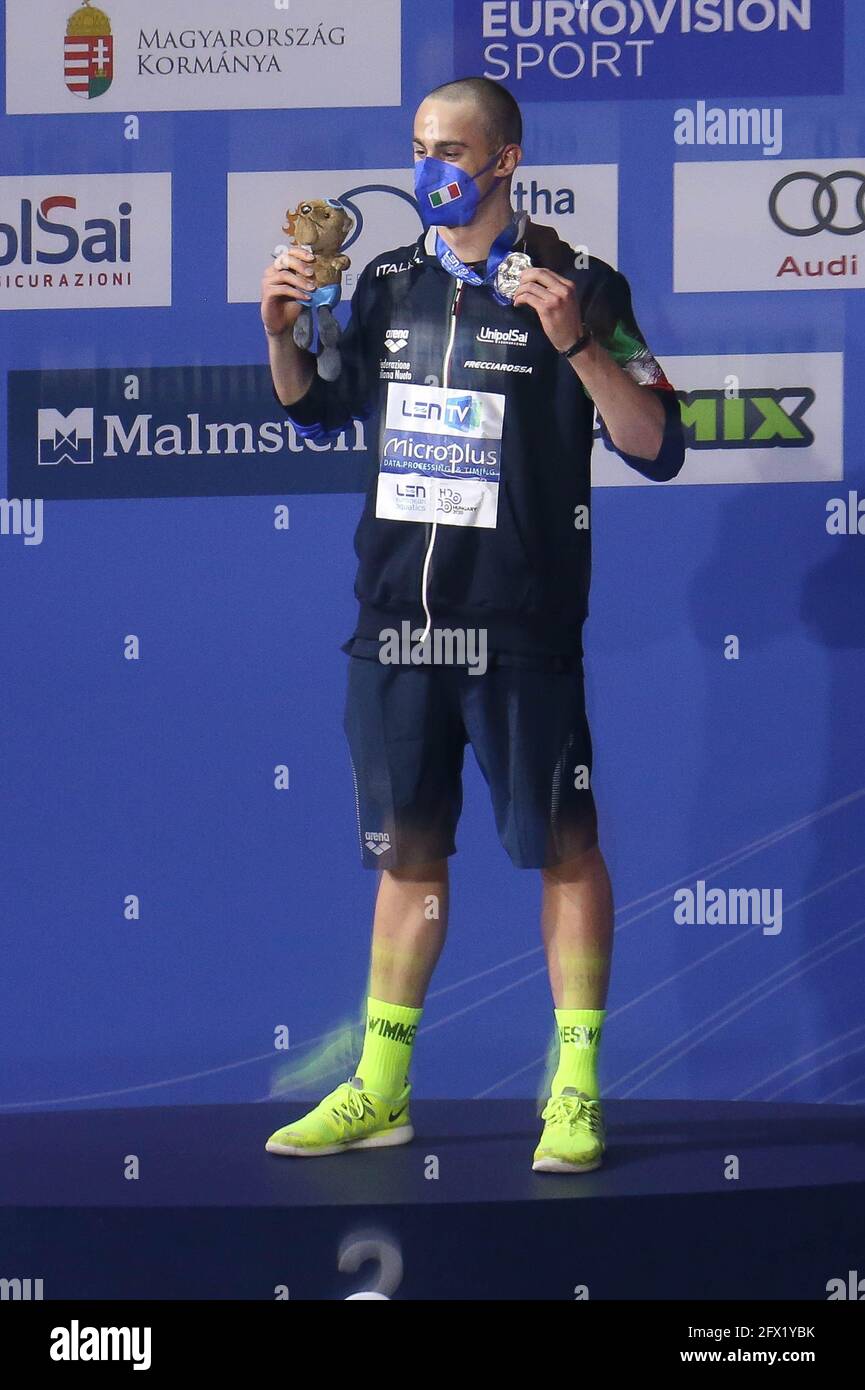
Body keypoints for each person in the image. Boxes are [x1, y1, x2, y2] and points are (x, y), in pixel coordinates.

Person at [260, 76, 685, 1173]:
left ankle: (576, 1090)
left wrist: (577, 343)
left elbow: (654, 441)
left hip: (520, 629)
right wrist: (282, 336)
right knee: (409, 858)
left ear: (504, 160)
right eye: (415, 147)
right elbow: (317, 406)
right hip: (396, 627)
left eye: (448, 148)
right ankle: (382, 1087)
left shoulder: (583, 284)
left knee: (564, 850)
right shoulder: (391, 283)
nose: (427, 168)